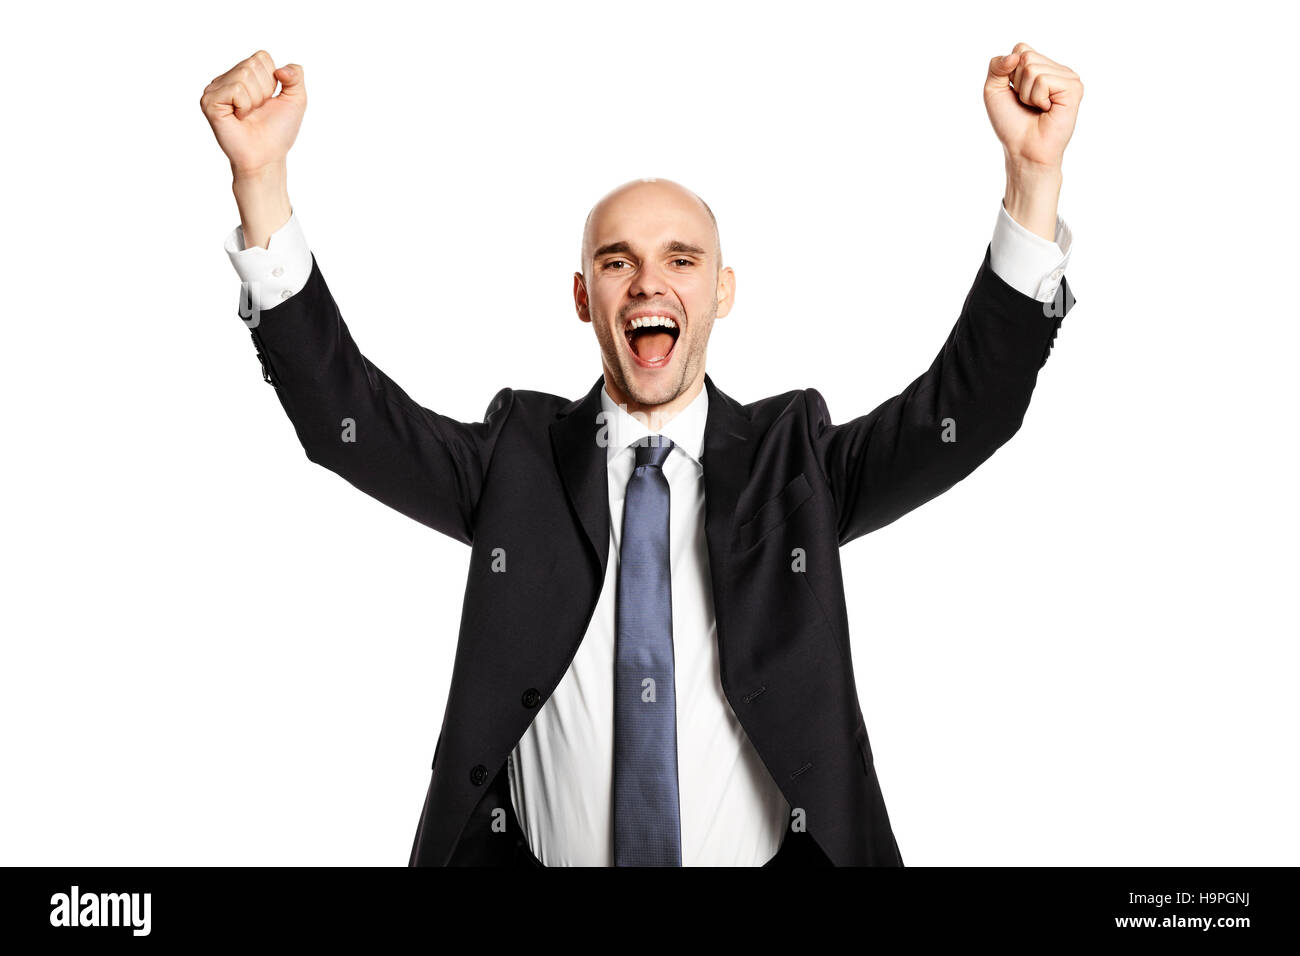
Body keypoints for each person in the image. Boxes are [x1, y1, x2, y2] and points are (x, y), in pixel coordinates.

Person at [199, 44, 1082, 866]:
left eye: (682, 260)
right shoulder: (518, 459)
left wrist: (1032, 179)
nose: (650, 282)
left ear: (722, 291)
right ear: (585, 299)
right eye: (618, 264)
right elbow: (345, 418)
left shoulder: (796, 460)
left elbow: (968, 410)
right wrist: (261, 181)